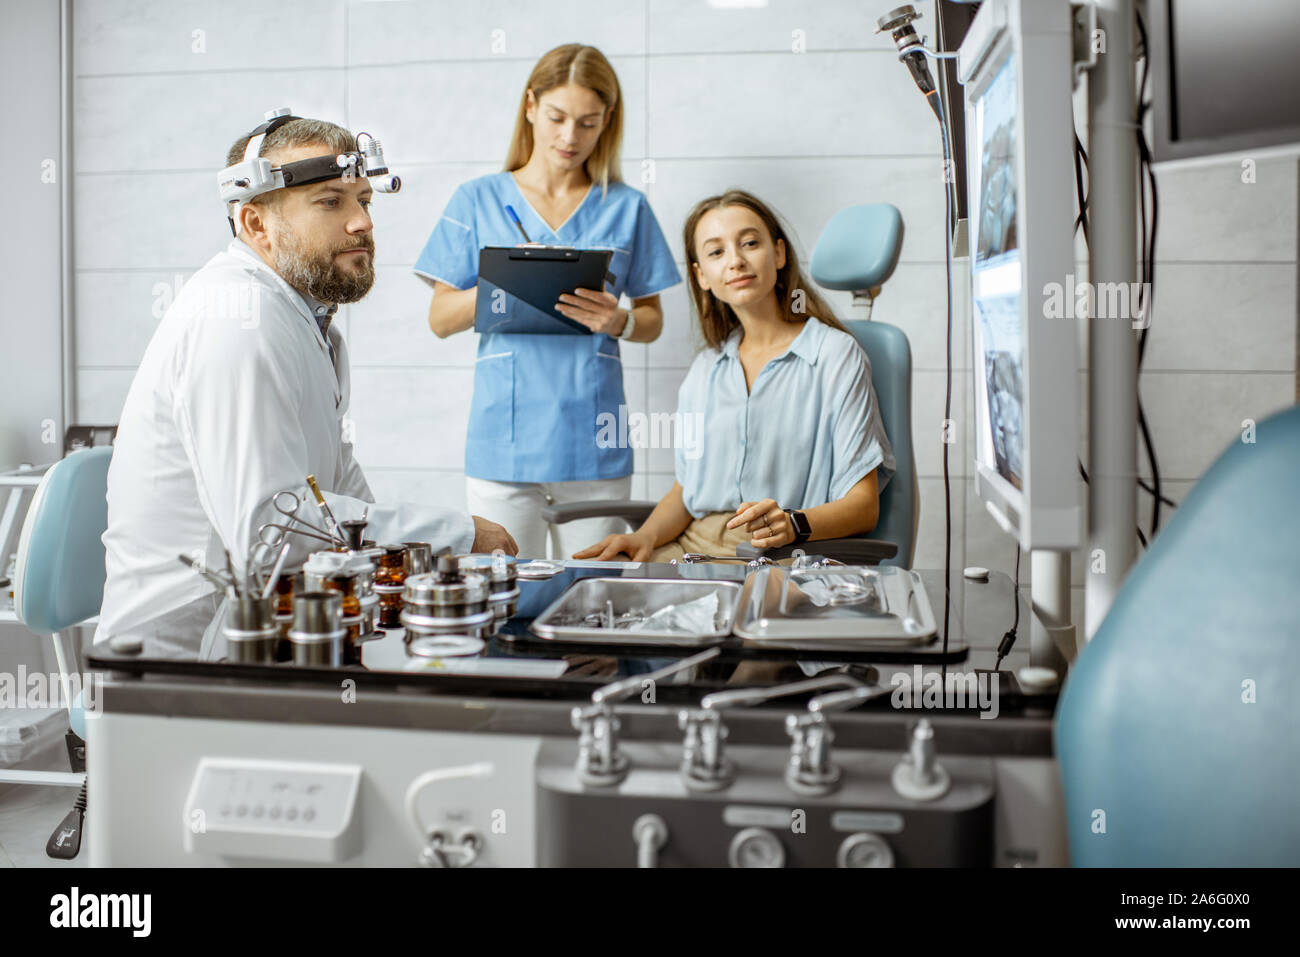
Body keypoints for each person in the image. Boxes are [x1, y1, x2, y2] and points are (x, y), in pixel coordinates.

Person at [97, 116, 516, 652]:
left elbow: (335, 490)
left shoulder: (308, 322)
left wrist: (420, 556)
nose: (362, 222)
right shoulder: (237, 319)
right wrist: (456, 535)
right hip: (175, 671)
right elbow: (271, 532)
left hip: (261, 633)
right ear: (255, 223)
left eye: (364, 200)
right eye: (330, 202)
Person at [417, 44, 680, 560]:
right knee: (506, 599)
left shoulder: (627, 207)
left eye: (587, 122)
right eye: (558, 117)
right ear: (531, 106)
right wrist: (510, 278)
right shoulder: (477, 200)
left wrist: (618, 319)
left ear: (608, 121)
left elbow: (652, 321)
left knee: (592, 596)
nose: (569, 137)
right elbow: (440, 319)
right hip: (502, 446)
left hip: (595, 448)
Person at [574, 189, 895, 563]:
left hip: (783, 554)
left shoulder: (834, 355)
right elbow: (686, 489)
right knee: (596, 591)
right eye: (716, 252)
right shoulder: (706, 368)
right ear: (702, 275)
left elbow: (863, 507)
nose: (736, 261)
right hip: (691, 550)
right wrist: (643, 538)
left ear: (778, 254)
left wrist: (793, 524)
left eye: (749, 243)